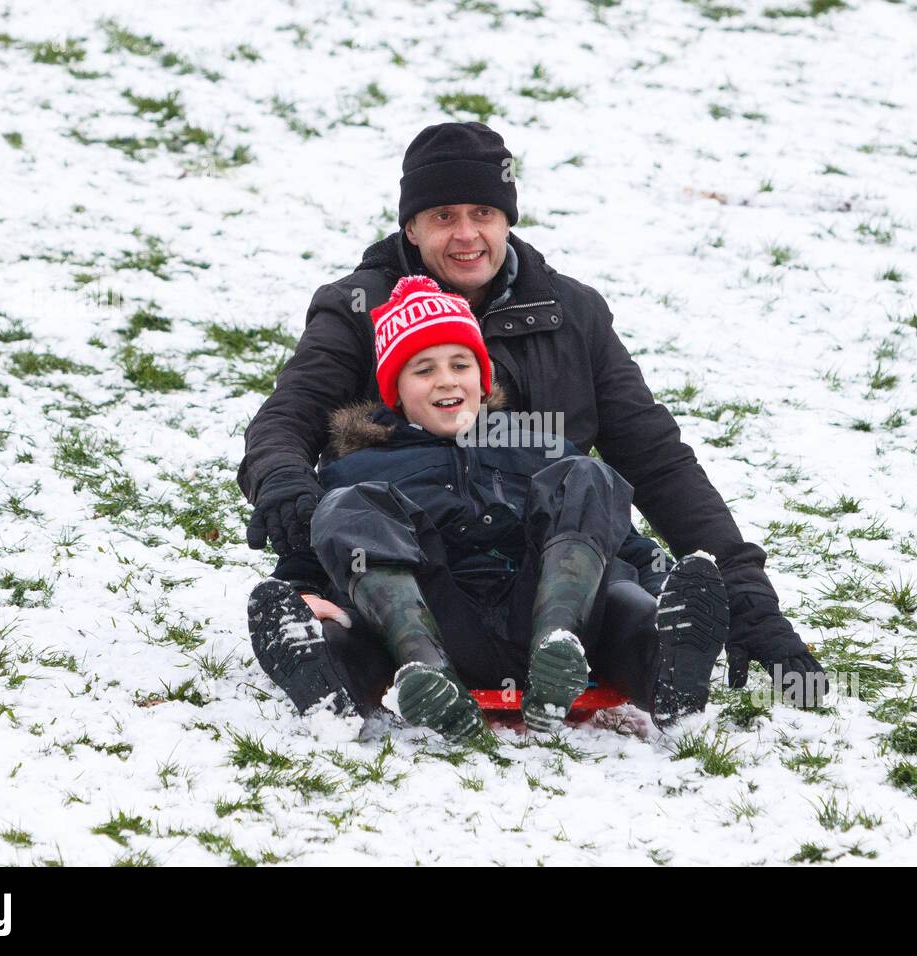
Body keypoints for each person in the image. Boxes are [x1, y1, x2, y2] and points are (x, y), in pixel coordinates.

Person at [241, 121, 826, 717]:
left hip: (547, 564)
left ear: (507, 220)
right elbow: (287, 419)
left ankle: (656, 658)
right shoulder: (359, 309)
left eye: (483, 213)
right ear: (410, 226)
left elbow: (657, 458)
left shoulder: (572, 313)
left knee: (618, 584)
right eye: (443, 216)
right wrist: (284, 482)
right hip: (417, 561)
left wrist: (749, 599)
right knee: (356, 600)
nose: (466, 235)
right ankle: (343, 664)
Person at [249, 275, 732, 737]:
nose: (446, 381)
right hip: (429, 621)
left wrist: (658, 583)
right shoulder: (358, 468)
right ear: (393, 391)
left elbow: (614, 536)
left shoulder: (540, 447)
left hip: (551, 613)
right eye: (424, 369)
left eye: (461, 365)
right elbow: (319, 546)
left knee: (588, 479)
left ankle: (658, 663)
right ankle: (372, 671)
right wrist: (300, 590)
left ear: (484, 380)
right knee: (348, 517)